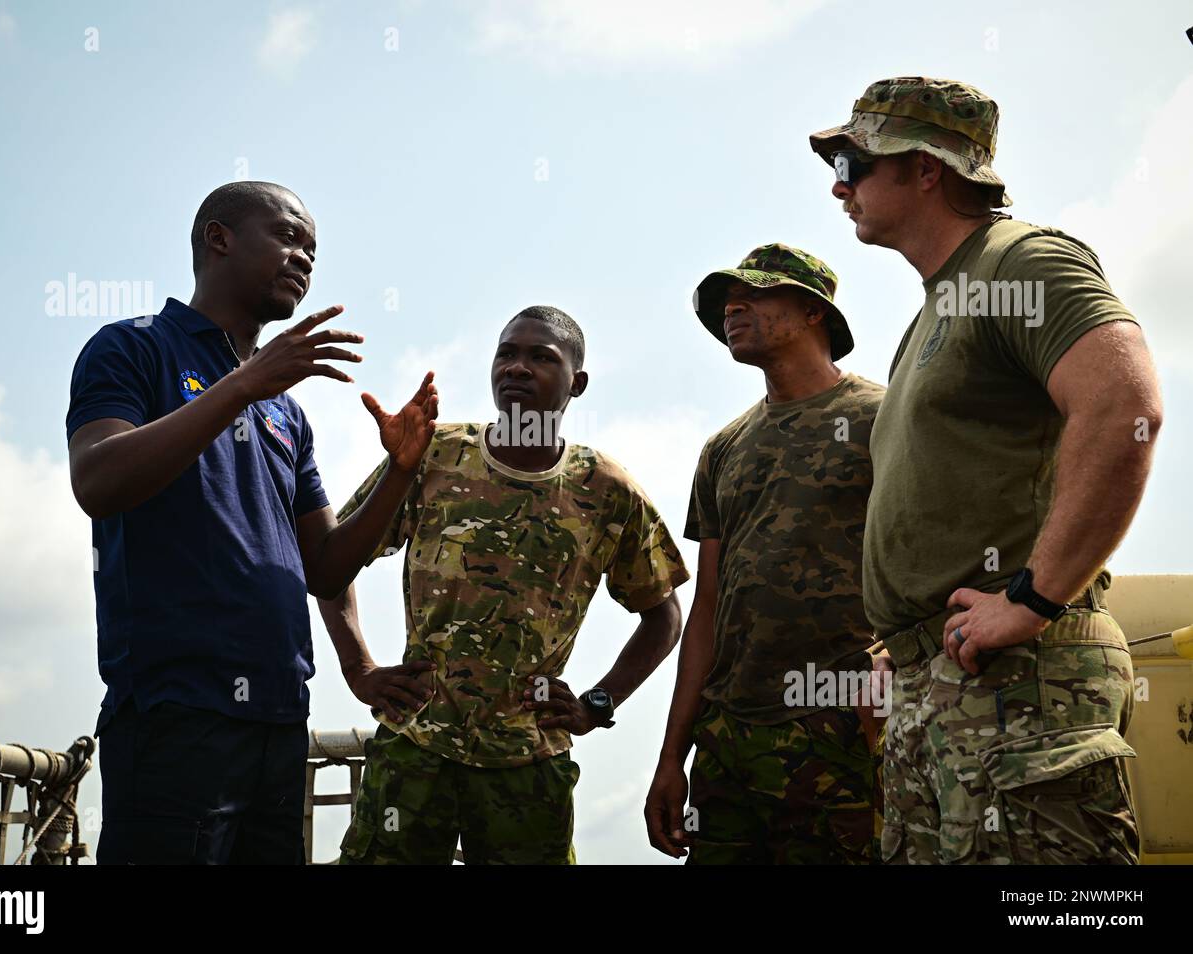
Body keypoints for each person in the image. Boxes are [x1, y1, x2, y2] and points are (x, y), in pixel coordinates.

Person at [809, 77, 1162, 863]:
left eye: (855, 161)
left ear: (927, 167)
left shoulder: (1020, 261)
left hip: (1022, 680)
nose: (839, 186)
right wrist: (900, 648)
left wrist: (1034, 596)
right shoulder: (933, 312)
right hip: (944, 686)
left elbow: (1123, 407)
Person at [66, 180, 438, 864]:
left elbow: (324, 565)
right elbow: (97, 481)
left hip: (277, 721)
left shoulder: (286, 412)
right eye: (289, 237)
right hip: (173, 714)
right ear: (218, 238)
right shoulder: (131, 349)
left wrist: (401, 471)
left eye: (314, 252)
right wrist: (240, 384)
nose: (304, 258)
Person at [323, 305, 690, 864]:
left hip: (527, 760)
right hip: (415, 746)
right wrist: (361, 670)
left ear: (578, 382)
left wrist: (598, 701)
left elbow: (664, 615)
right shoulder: (431, 454)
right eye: (507, 354)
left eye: (541, 357)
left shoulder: (606, 489)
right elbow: (334, 564)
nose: (517, 367)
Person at [645, 244, 885, 864]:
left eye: (755, 293)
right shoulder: (723, 448)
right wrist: (673, 757)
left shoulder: (885, 418)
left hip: (845, 731)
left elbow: (938, 563)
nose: (733, 307)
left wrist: (896, 675)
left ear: (813, 312)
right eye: (728, 299)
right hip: (729, 742)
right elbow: (708, 608)